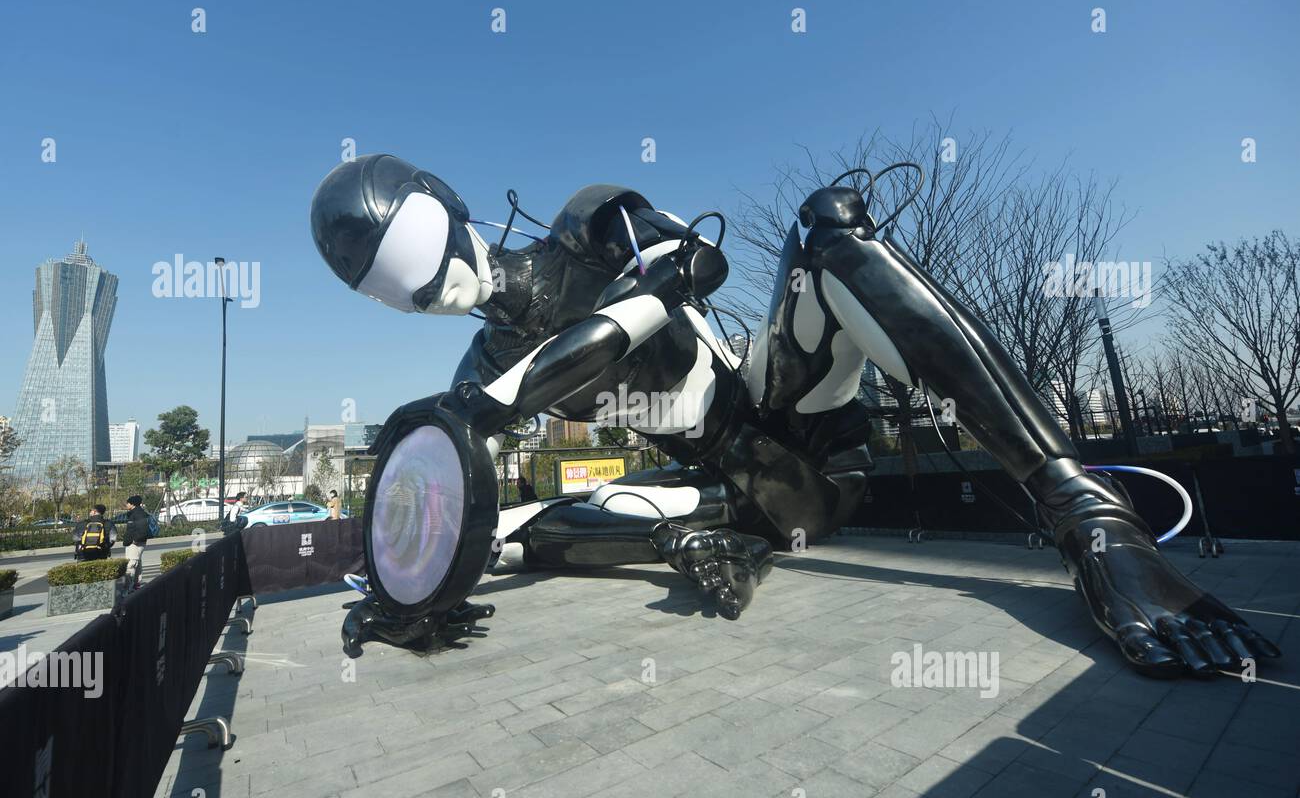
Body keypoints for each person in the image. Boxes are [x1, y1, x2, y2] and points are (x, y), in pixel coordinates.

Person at [310, 154, 1281, 676]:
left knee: (827, 229)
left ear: (445, 204)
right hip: (723, 500)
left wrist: (524, 384)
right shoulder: (483, 371)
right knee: (524, 524)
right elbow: (459, 468)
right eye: (386, 285)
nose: (419, 288)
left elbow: (700, 264)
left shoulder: (585, 228)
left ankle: (1088, 516)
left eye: (411, 251)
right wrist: (410, 577)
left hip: (791, 413)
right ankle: (706, 538)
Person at [121, 495, 150, 591]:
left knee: (131, 564)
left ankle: (128, 587)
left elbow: (142, 529)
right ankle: (136, 584)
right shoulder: (134, 513)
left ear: (132, 504)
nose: (126, 504)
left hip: (135, 543)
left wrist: (135, 540)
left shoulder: (138, 514)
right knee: (137, 563)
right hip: (134, 542)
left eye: (128, 503)